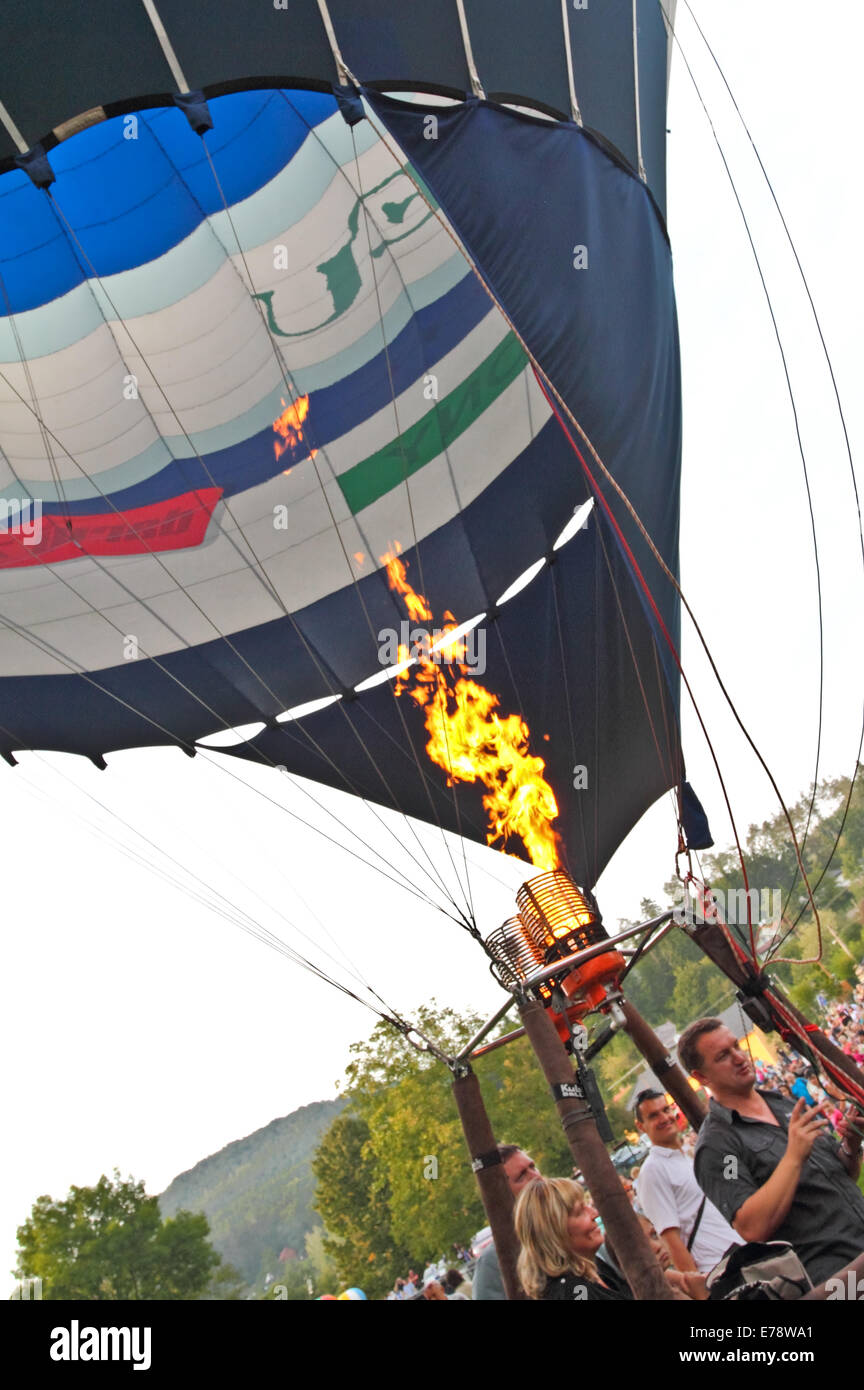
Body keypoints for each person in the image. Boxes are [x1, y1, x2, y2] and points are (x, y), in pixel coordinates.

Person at [679, 1016, 864, 1284]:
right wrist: (793, 1157)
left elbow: (844, 1174)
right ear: (701, 1077)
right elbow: (750, 1226)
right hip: (835, 1278)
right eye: (723, 1056)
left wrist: (850, 1145)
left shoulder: (780, 1102)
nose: (739, 1057)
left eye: (736, 1046)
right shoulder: (719, 1147)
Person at [513, 1178, 706, 1301]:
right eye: (580, 1212)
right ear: (554, 1232)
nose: (594, 1214)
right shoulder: (573, 1291)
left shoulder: (594, 1270)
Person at [634, 1088, 743, 1274]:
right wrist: (700, 1286)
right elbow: (671, 1239)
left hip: (745, 1251)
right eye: (653, 1116)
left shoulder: (690, 1154)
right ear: (641, 1127)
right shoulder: (652, 1171)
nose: (664, 1118)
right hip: (719, 1269)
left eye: (666, 1110)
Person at [472, 1144, 542, 1300]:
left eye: (533, 1167)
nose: (536, 1177)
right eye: (521, 1176)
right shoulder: (493, 1262)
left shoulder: (569, 1224)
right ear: (502, 1196)